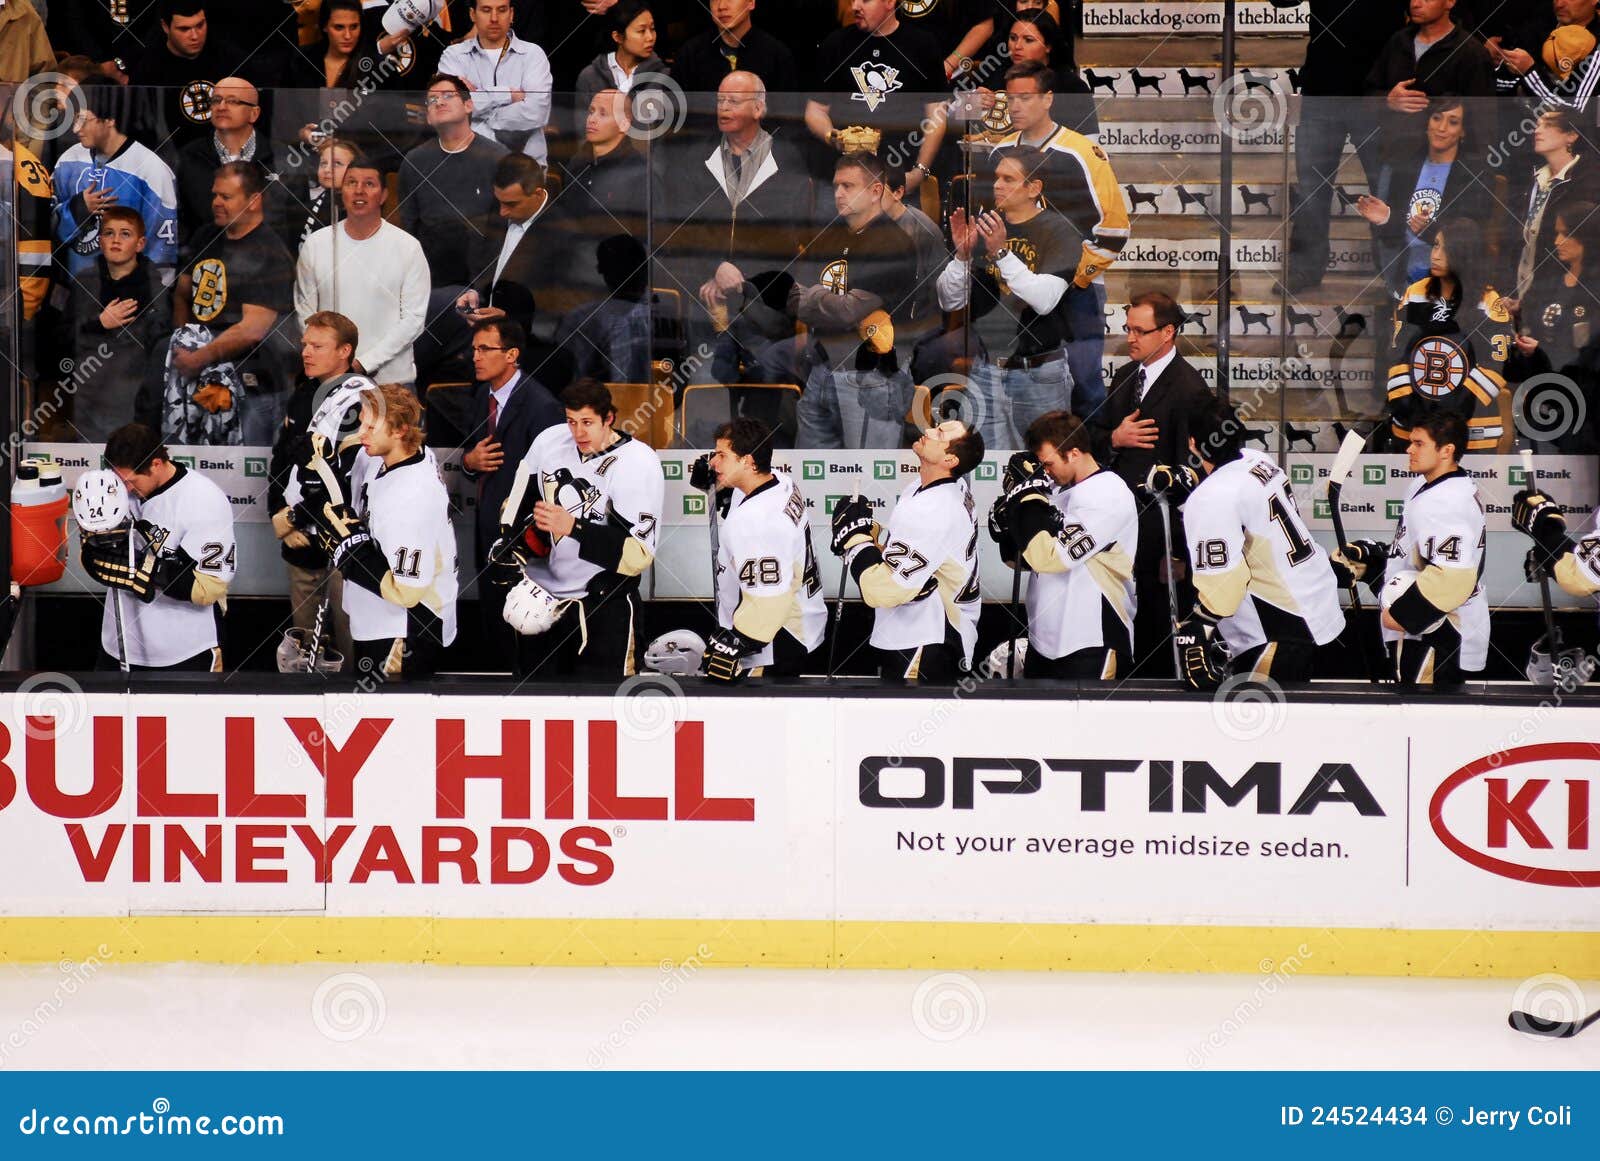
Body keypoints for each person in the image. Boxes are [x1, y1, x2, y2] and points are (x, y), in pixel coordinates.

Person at [718, 152, 918, 449]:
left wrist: (794, 295)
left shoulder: (892, 244)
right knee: (813, 473)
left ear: (876, 190)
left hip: (870, 375)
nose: (838, 193)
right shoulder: (831, 237)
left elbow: (846, 311)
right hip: (823, 366)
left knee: (869, 476)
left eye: (848, 186)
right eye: (836, 185)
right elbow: (808, 290)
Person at [1166, 397, 1345, 688]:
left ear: (1192, 443)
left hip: (1277, 630)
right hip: (1320, 611)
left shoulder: (1211, 497)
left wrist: (1199, 627)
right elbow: (1236, 490)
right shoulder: (1260, 460)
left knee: (1263, 730)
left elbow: (1224, 585)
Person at [491, 379, 664, 679]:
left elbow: (637, 556)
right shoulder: (548, 442)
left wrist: (574, 527)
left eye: (587, 422)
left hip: (603, 606)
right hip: (544, 599)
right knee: (537, 702)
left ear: (608, 418)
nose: (578, 433)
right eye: (571, 422)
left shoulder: (638, 462)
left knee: (605, 707)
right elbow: (517, 505)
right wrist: (512, 546)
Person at [989, 62, 1128, 416]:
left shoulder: (1081, 151)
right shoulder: (999, 152)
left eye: (1025, 97)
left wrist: (1074, 275)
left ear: (1048, 98)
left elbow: (1114, 227)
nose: (1015, 106)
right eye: (1010, 98)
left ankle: (1093, 468)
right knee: (1014, 376)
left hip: (1077, 290)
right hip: (1015, 289)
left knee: (1086, 386)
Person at [659, 70, 811, 389]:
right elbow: (682, 230)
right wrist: (717, 266)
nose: (723, 108)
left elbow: (785, 239)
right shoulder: (695, 158)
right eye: (720, 100)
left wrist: (740, 279)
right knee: (705, 384)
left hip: (763, 303)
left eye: (733, 101)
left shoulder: (787, 159)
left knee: (765, 383)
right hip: (705, 297)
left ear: (759, 109)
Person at [1087, 291, 1211, 674]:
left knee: (1156, 619)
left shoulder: (1190, 389)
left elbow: (1192, 474)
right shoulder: (1126, 375)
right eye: (1127, 329)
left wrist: (1177, 551)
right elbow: (1096, 433)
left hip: (1159, 533)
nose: (1131, 338)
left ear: (1168, 332)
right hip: (1118, 524)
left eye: (1140, 330)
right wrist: (1114, 439)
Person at [310, 383, 458, 681]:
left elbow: (408, 590)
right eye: (361, 422)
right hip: (377, 621)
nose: (360, 433)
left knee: (395, 723)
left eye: (370, 426)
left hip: (402, 634)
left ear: (400, 430)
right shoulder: (399, 455)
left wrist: (351, 554)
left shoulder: (412, 497)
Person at [936, 147, 1078, 450]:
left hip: (1040, 373)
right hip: (986, 370)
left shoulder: (1060, 231)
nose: (997, 185)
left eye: (1008, 178)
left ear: (1034, 188)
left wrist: (1001, 253)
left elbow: (1045, 300)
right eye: (996, 178)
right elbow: (950, 301)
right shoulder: (984, 226)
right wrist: (962, 256)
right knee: (983, 467)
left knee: (1046, 463)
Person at [1335, 409, 1488, 687]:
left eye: (1419, 444)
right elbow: (1418, 556)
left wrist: (1397, 615)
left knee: (1427, 725)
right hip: (1423, 631)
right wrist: (1371, 560)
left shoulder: (1447, 503)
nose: (1409, 449)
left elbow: (1452, 577)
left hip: (1439, 637)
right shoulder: (1426, 485)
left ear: (1446, 451)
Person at [828, 418, 984, 681]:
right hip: (920, 632)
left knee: (907, 722)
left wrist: (854, 540)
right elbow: (903, 552)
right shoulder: (936, 487)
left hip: (927, 639)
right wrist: (866, 532)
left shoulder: (933, 510)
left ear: (949, 461)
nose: (928, 431)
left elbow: (881, 591)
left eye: (940, 433)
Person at [990, 410, 1137, 678]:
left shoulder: (1108, 494)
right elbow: (1020, 560)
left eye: (1048, 464)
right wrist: (1012, 520)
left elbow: (1051, 558)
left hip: (1092, 642)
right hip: (1043, 643)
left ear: (1074, 453)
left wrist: (1027, 500)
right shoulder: (1055, 491)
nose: (1045, 473)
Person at [79, 423, 235, 671]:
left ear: (156, 464)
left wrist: (139, 568)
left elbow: (208, 589)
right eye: (119, 480)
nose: (125, 489)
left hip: (184, 651)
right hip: (118, 647)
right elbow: (94, 556)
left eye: (131, 481)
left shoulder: (203, 499)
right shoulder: (113, 490)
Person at [1272, 0, 1400, 292]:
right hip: (1322, 89)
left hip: (1378, 92)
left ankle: (1395, 269)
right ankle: (1305, 267)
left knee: (1385, 185)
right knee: (1310, 187)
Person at [460, 317, 563, 666]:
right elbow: (473, 457)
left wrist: (529, 538)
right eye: (473, 349)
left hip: (524, 540)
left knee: (523, 623)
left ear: (512, 354)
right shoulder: (480, 397)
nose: (475, 357)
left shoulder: (542, 406)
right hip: (487, 527)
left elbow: (551, 481)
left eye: (485, 349)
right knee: (493, 617)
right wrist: (469, 462)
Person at [172, 159, 297, 445]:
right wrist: (183, 342)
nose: (216, 202)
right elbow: (182, 292)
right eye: (215, 194)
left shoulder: (270, 252)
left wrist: (197, 359)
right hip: (198, 377)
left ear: (253, 200)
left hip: (254, 386)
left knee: (247, 473)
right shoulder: (205, 236)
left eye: (226, 196)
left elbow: (252, 328)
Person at [694, 417, 826, 680]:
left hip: (773, 640)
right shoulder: (779, 480)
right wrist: (721, 490)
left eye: (722, 455)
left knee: (757, 720)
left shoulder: (757, 523)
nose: (713, 462)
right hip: (801, 620)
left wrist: (735, 644)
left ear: (748, 461)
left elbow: (768, 602)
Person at [294, 157, 431, 387]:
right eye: (351, 183)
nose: (359, 191)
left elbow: (414, 320)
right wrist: (333, 362)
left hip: (392, 384)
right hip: (330, 380)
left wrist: (362, 363)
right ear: (342, 192)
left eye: (369, 184)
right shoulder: (316, 244)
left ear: (384, 195)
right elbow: (305, 311)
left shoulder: (407, 247)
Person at [1383, 220, 1511, 454]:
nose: (1436, 254)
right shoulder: (1415, 294)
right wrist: (1413, 412)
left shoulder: (1489, 302)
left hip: (1470, 432)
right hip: (1414, 429)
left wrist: (1452, 414)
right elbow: (1397, 355)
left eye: (1445, 248)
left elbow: (1494, 366)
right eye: (1434, 246)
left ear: (1463, 254)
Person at [805, 0, 948, 190]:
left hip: (899, 172)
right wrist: (833, 137)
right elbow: (815, 110)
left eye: (865, 0)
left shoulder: (922, 45)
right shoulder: (835, 44)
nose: (855, 6)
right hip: (842, 176)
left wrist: (918, 172)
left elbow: (937, 116)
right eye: (853, 0)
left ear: (889, 2)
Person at [1354, 97, 1490, 294]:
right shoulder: (1405, 167)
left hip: (1452, 276)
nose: (1441, 128)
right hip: (1405, 271)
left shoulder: (1475, 174)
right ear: (1427, 123)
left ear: (1463, 132)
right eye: (1436, 118)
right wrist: (1386, 218)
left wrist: (1431, 231)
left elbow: (1471, 232)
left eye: (1452, 122)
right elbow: (1391, 235)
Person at [59, 205, 171, 441]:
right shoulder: (83, 284)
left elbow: (161, 350)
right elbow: (59, 338)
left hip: (136, 403)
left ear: (140, 244)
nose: (116, 240)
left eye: (125, 234)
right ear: (100, 241)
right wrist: (99, 323)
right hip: (89, 401)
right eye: (109, 233)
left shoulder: (155, 289)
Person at [51, 79, 178, 285]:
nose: (75, 129)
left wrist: (151, 301)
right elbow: (48, 228)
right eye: (73, 119)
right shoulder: (67, 161)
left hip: (130, 297)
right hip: (75, 296)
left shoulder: (152, 170)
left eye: (83, 120)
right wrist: (77, 209)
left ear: (109, 119)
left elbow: (161, 249)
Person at [1363, 0, 1494, 171]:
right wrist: (1388, 100)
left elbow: (1482, 125)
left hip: (1445, 169)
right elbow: (1367, 95)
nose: (1415, 4)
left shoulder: (1471, 53)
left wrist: (1471, 174)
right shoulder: (1398, 42)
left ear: (1449, 2)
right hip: (1392, 161)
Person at [437, 0, 554, 164]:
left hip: (524, 168)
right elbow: (449, 109)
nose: (494, 18)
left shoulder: (533, 54)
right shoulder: (453, 56)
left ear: (511, 14)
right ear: (473, 14)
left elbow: (536, 112)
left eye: (501, 10)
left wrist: (478, 107)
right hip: (468, 163)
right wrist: (507, 95)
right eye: (486, 10)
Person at [174, 76, 275, 246]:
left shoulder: (278, 157)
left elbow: (288, 221)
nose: (221, 107)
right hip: (204, 263)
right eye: (216, 100)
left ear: (254, 113)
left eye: (233, 101)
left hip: (265, 263)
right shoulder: (188, 157)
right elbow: (179, 220)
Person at [1510, 110, 1585, 311]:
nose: (1537, 130)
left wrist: (1534, 302)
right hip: (1519, 289)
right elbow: (1516, 239)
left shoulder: (1585, 181)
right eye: (1538, 124)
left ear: (1571, 135)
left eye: (1548, 125)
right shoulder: (1533, 177)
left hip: (1553, 299)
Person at [128, 0, 221, 152]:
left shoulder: (227, 58)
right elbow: (141, 127)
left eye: (200, 25)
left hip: (220, 156)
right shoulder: (147, 70)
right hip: (169, 159)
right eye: (184, 29)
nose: (195, 36)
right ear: (165, 27)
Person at [670, 0, 798, 93]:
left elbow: (786, 119)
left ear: (751, 3)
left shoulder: (776, 56)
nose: (721, 6)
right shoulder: (690, 54)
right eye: (715, 0)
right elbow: (675, 114)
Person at [574, 0, 665, 132]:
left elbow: (661, 137)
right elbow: (583, 134)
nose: (650, 37)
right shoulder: (590, 77)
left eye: (652, 29)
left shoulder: (663, 77)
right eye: (641, 31)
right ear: (618, 37)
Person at [1500, 0, 1600, 115]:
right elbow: (1497, 82)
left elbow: (1574, 110)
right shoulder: (1539, 27)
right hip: (1518, 123)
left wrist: (1529, 73)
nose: (1559, 4)